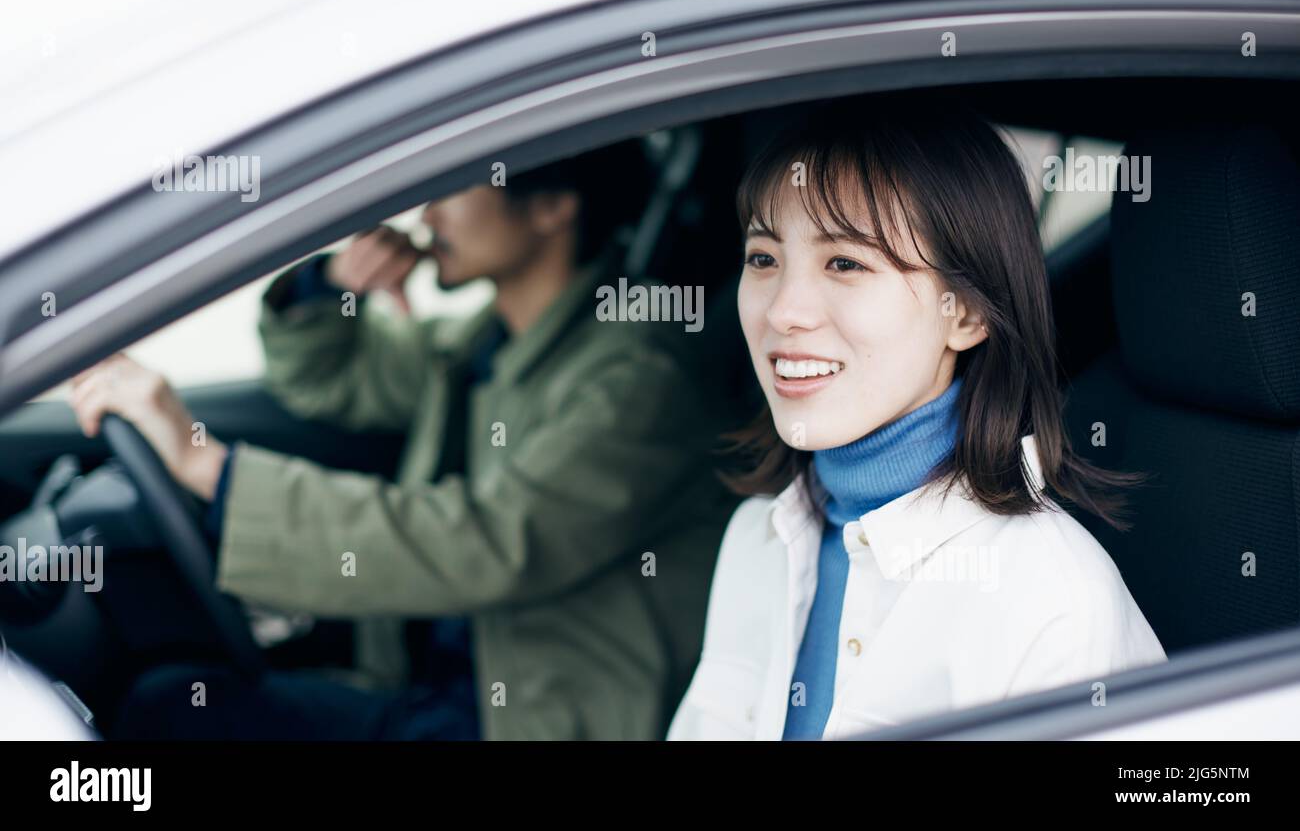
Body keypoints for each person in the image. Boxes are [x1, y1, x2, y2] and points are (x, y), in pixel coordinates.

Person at [73, 140, 736, 739]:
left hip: (531, 719)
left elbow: (485, 541)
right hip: (438, 693)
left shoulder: (640, 377)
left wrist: (205, 465)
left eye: (456, 186)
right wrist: (333, 286)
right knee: (172, 704)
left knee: (175, 715)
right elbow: (327, 378)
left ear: (552, 208)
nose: (427, 214)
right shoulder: (488, 343)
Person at [668, 99, 1167, 740]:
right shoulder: (756, 540)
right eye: (763, 259)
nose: (783, 310)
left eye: (846, 263)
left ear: (965, 314)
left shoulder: (1052, 598)